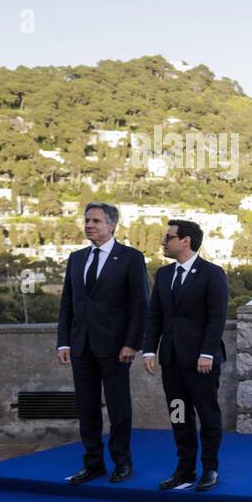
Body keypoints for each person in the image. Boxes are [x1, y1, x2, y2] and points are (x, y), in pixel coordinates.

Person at [56, 202, 149, 484]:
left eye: (95, 221)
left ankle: (122, 462)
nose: (89, 225)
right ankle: (93, 463)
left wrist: (132, 343)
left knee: (119, 408)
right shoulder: (76, 258)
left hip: (116, 348)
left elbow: (139, 304)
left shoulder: (131, 257)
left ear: (112, 225)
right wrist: (63, 343)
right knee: (86, 408)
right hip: (81, 346)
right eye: (87, 220)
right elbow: (67, 304)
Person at [142, 220, 229, 491]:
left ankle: (210, 469)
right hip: (171, 360)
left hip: (202, 361)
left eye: (168, 237)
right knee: (179, 414)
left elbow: (217, 318)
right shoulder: (164, 274)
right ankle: (185, 468)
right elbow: (155, 315)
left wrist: (207, 353)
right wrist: (149, 349)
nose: (163, 241)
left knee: (207, 414)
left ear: (186, 241)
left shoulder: (212, 274)